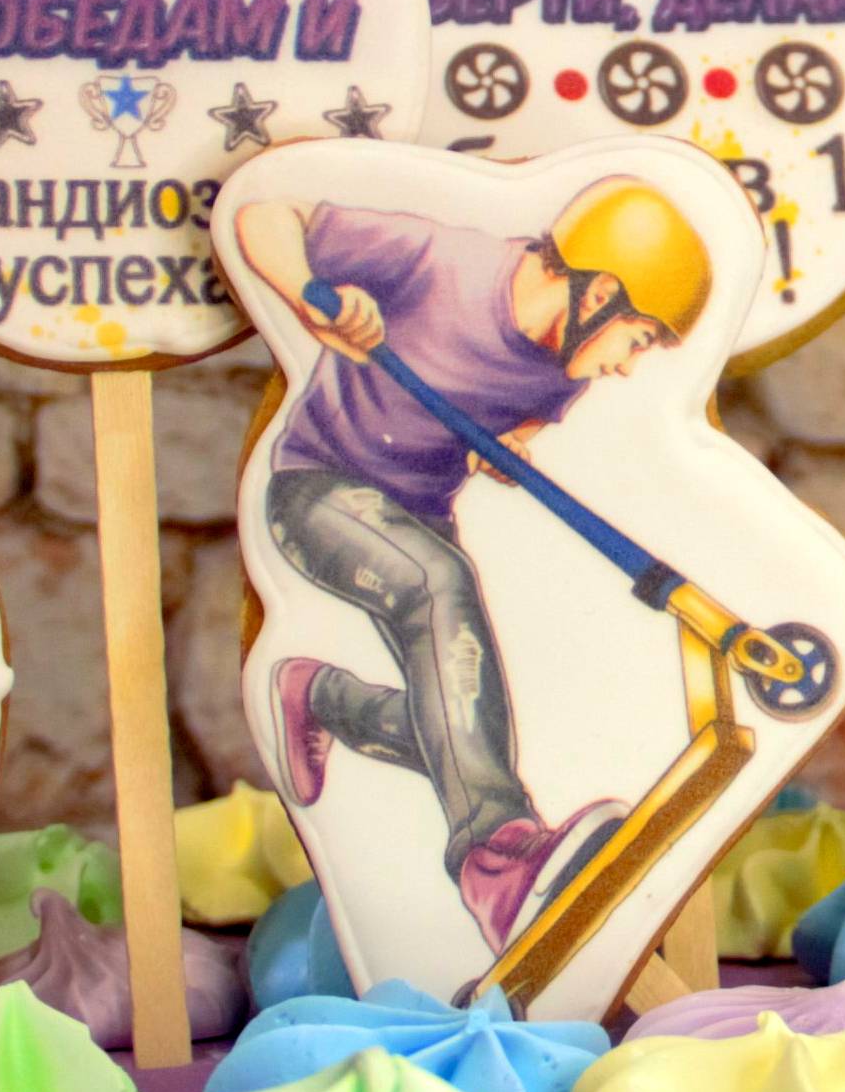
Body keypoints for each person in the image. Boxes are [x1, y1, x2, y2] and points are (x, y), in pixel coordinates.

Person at [237, 177, 708, 951]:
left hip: (419, 520)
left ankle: (323, 698)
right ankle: (496, 860)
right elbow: (263, 214)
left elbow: (518, 413)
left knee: (468, 712)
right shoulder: (442, 261)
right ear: (601, 293)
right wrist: (310, 296)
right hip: (319, 490)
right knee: (439, 590)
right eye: (641, 337)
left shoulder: (565, 361)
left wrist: (509, 445)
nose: (630, 366)